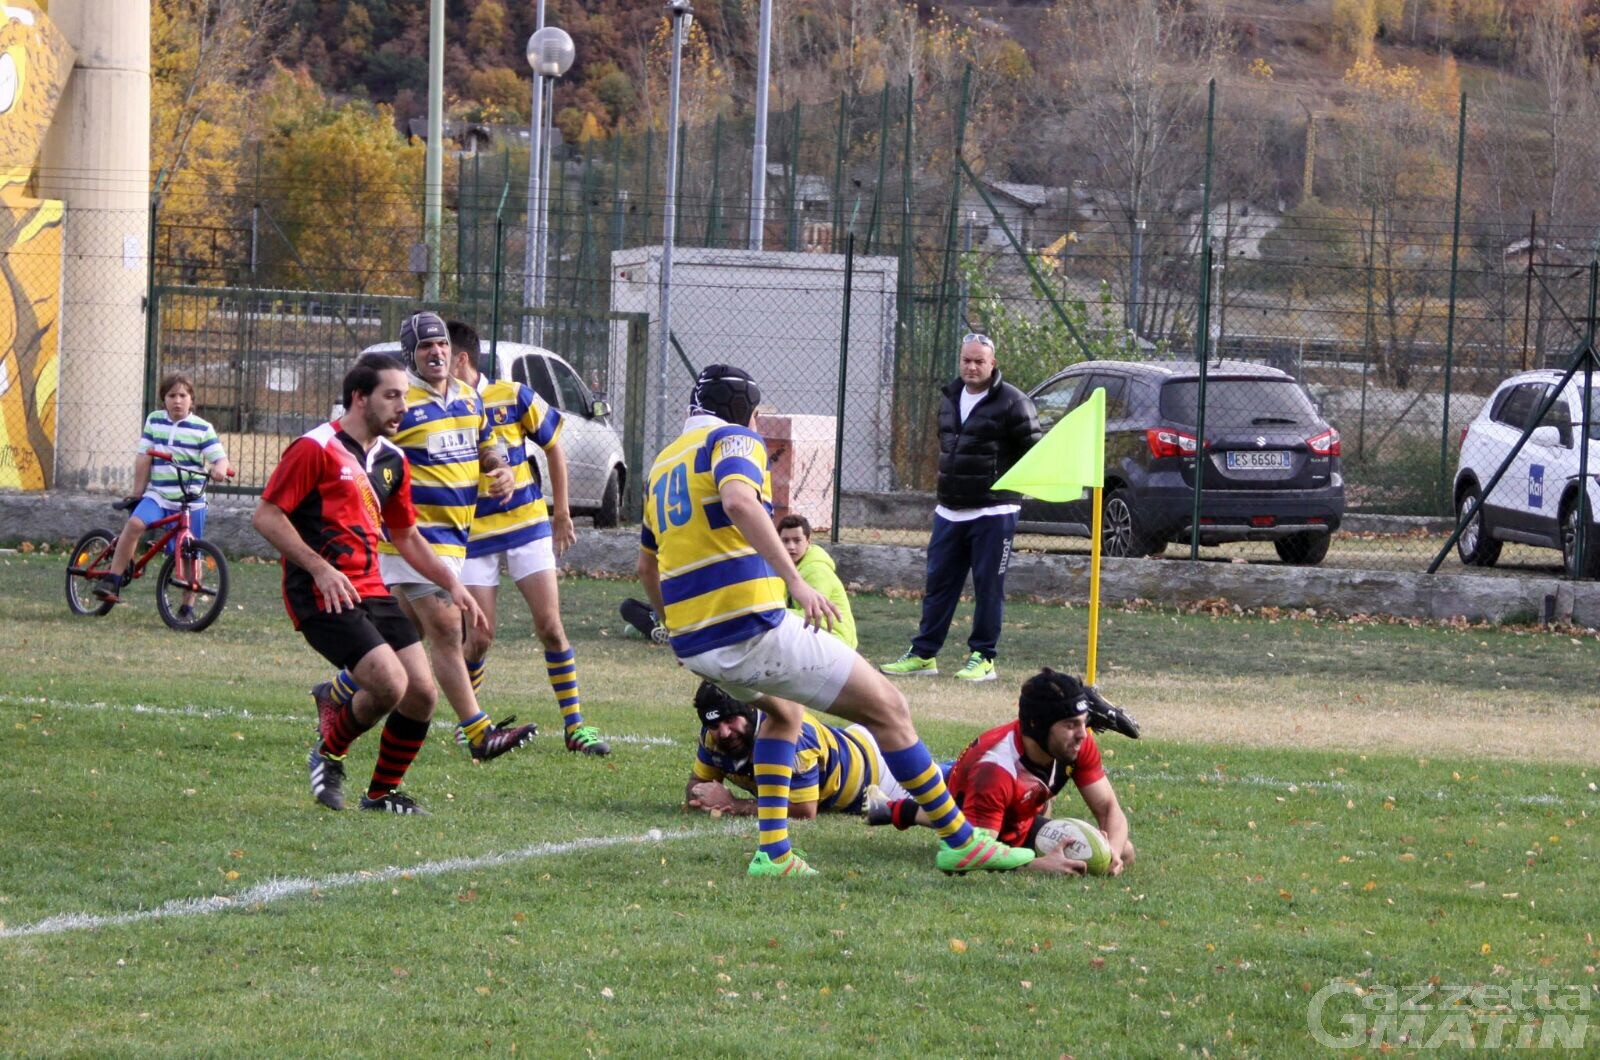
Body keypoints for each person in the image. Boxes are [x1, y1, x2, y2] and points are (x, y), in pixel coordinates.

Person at [637, 362, 1034, 877]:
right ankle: (960, 841)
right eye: (756, 415)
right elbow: (738, 499)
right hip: (748, 629)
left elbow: (647, 567)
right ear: (741, 411)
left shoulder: (663, 464)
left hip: (696, 644)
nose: (757, 425)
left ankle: (773, 854)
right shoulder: (733, 439)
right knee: (889, 708)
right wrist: (795, 582)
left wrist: (676, 630)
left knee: (784, 716)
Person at [252, 354, 488, 815]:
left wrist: (452, 584)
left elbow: (406, 537)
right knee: (389, 684)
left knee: (422, 695)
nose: (404, 406)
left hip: (371, 588)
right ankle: (328, 753)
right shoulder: (315, 448)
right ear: (360, 398)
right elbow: (266, 516)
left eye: (406, 395)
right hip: (322, 593)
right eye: (392, 395)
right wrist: (319, 567)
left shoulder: (393, 461)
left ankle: (380, 794)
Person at [314, 312, 528, 763]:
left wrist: (500, 468)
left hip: (455, 538)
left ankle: (335, 692)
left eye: (442, 345)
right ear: (410, 354)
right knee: (449, 627)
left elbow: (487, 443)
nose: (436, 352)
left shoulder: (471, 398)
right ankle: (477, 730)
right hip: (408, 539)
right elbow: (358, 445)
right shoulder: (399, 400)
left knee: (404, 637)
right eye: (426, 347)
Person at [447, 320, 609, 756]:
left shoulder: (514, 395)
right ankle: (473, 725)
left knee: (551, 627)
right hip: (473, 535)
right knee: (479, 637)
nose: (435, 362)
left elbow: (555, 443)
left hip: (526, 526)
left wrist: (561, 513)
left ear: (460, 358)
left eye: (442, 353)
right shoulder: (445, 408)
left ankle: (575, 727)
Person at [866, 668, 1136, 877]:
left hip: (1018, 808)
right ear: (1037, 725)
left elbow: (1110, 809)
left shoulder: (1077, 743)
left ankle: (893, 809)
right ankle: (896, 808)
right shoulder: (995, 770)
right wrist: (1037, 865)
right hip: (982, 802)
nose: (1081, 734)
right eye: (1069, 725)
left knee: (1125, 850)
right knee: (968, 822)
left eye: (1083, 722)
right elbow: (977, 856)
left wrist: (1110, 851)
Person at [881, 333, 1042, 682]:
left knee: (988, 586)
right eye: (966, 360)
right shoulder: (949, 397)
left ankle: (984, 657)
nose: (971, 366)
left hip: (994, 513)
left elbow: (1036, 451)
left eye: (979, 361)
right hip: (949, 511)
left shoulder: (1014, 402)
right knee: (938, 584)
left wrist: (1005, 487)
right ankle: (924, 655)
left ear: (992, 364)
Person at [96, 373, 232, 611]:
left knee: (190, 552)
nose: (177, 401)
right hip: (158, 495)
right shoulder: (155, 421)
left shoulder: (203, 428)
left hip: (190, 501)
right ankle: (113, 579)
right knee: (135, 524)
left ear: (191, 399)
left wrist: (219, 469)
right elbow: (144, 457)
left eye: (182, 395)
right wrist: (138, 492)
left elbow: (220, 459)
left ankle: (187, 605)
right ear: (164, 399)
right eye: (171, 395)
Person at [685, 681, 914, 818]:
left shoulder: (790, 739)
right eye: (714, 725)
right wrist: (701, 796)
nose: (724, 732)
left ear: (750, 710)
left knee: (943, 796)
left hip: (878, 772)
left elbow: (804, 811)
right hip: (851, 745)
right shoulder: (711, 737)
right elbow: (697, 783)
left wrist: (735, 805)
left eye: (731, 721)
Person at [776, 513, 857, 649]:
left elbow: (814, 616)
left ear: (808, 542)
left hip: (837, 641)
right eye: (785, 541)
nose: (791, 547)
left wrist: (772, 613)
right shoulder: (789, 567)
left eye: (797, 540)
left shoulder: (816, 570)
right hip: (819, 635)